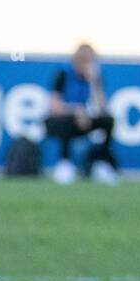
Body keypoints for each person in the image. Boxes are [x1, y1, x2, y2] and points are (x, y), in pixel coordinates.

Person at [45, 43, 119, 185]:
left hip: (86, 120)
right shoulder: (64, 73)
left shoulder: (95, 77)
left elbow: (102, 107)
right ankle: (65, 164)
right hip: (66, 118)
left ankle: (101, 163)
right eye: (82, 59)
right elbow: (55, 107)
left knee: (108, 120)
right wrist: (77, 110)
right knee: (65, 121)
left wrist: (93, 81)